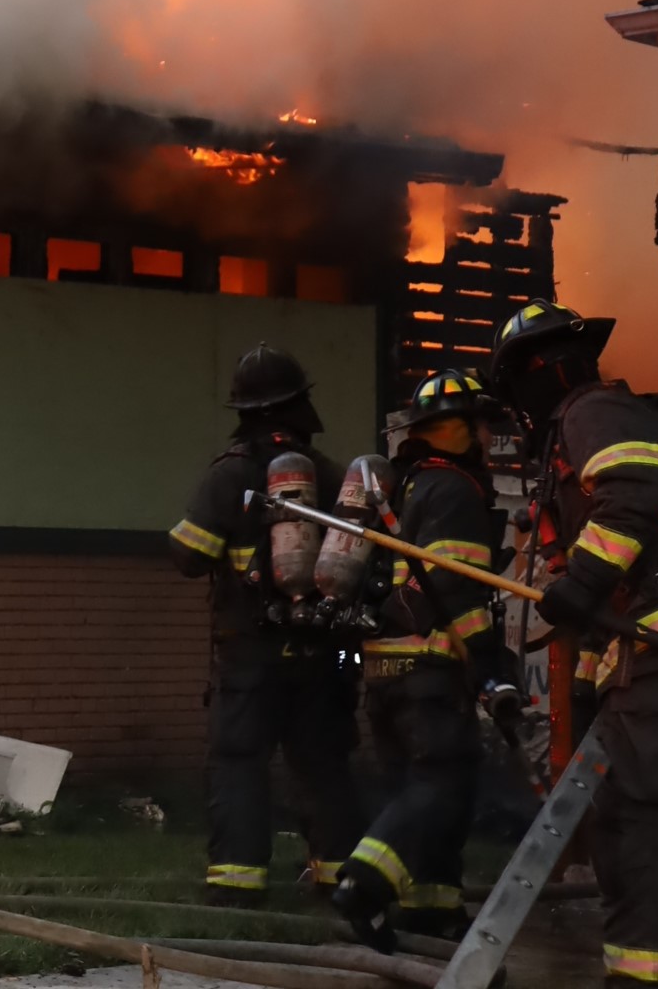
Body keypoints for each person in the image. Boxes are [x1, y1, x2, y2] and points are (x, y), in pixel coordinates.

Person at [493, 300, 658, 988]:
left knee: (638, 827)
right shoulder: (605, 416)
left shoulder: (590, 413)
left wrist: (580, 583)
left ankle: (643, 981)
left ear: (533, 373)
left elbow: (631, 494)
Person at [168, 343, 365, 907]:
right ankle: (338, 879)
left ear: (246, 411)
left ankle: (237, 882)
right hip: (325, 651)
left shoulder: (231, 475)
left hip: (250, 650)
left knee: (239, 761)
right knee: (324, 764)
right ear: (301, 407)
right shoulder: (333, 477)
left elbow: (189, 555)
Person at [332, 370, 518, 951]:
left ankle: (428, 907)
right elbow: (456, 587)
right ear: (456, 429)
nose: (488, 439)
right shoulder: (455, 491)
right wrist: (488, 664)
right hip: (431, 669)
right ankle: (363, 881)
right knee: (442, 781)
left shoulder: (407, 487)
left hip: (385, 673)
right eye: (481, 427)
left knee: (421, 789)